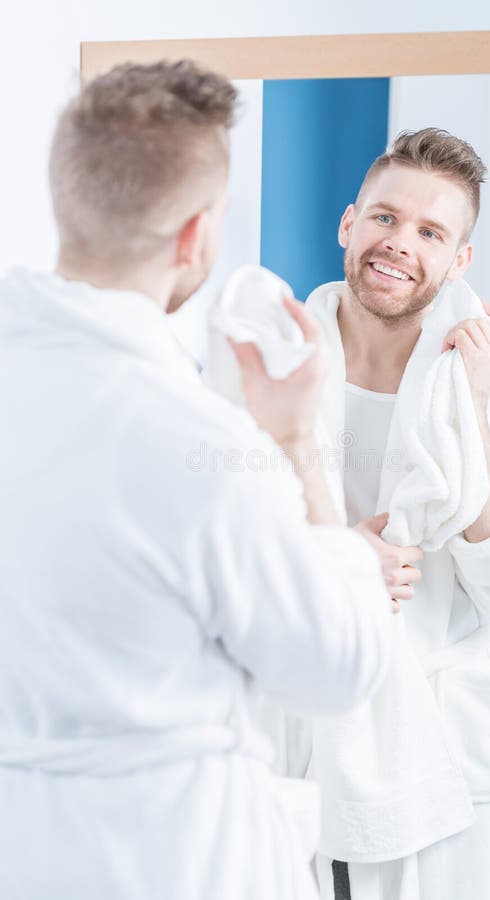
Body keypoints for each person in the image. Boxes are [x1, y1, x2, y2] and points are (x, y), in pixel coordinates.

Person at [0, 61, 394, 900]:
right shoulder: (197, 446)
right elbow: (340, 665)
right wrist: (293, 439)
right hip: (174, 859)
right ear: (196, 238)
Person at [304, 128, 490, 900]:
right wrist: (334, 559)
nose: (399, 244)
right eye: (385, 218)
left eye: (431, 232)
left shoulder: (486, 401)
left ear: (459, 261)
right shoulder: (272, 366)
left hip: (440, 743)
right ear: (348, 223)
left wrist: (472, 398)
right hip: (297, 728)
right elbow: (210, 547)